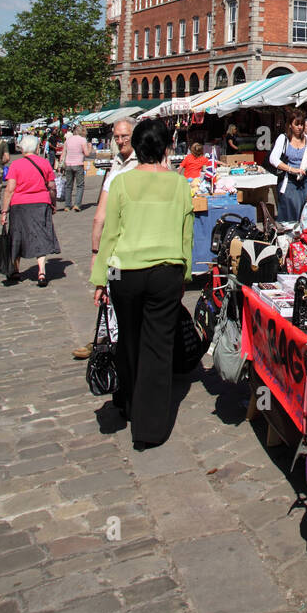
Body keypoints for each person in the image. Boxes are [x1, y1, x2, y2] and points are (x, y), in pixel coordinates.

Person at [90, 118, 194, 449]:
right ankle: (149, 426)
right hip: (166, 271)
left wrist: (99, 279)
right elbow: (186, 234)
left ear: (136, 147)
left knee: (129, 339)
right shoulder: (179, 184)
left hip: (125, 272)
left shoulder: (121, 182)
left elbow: (111, 234)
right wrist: (185, 274)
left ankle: (130, 404)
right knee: (158, 347)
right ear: (167, 148)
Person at [72, 120, 138, 361]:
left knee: (120, 294)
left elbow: (99, 216)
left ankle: (114, 343)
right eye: (117, 137)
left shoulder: (140, 165)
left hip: (128, 244)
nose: (120, 141)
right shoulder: (117, 164)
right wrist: (96, 252)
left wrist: (96, 251)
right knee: (111, 291)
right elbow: (100, 216)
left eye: (124, 136)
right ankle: (106, 339)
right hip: (115, 247)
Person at [0, 134, 60, 286]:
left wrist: (4, 211)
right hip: (40, 203)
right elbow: (52, 186)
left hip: (19, 205)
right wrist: (53, 203)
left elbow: (9, 189)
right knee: (40, 235)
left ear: (22, 149)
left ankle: (15, 270)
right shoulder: (45, 163)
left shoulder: (16, 165)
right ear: (37, 147)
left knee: (17, 235)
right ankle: (41, 271)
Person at [269, 110, 307, 221]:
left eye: (301, 124)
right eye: (296, 124)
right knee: (291, 211)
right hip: (289, 181)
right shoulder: (284, 138)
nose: (299, 127)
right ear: (290, 125)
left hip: (305, 181)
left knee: (305, 212)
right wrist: (291, 169)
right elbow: (273, 159)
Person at [60, 123, 93, 212]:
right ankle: (77, 205)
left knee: (68, 186)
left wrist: (60, 164)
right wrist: (90, 148)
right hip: (78, 164)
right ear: (82, 131)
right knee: (80, 185)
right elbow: (87, 154)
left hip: (68, 165)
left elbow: (63, 153)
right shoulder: (83, 140)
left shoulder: (68, 140)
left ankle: (67, 205)